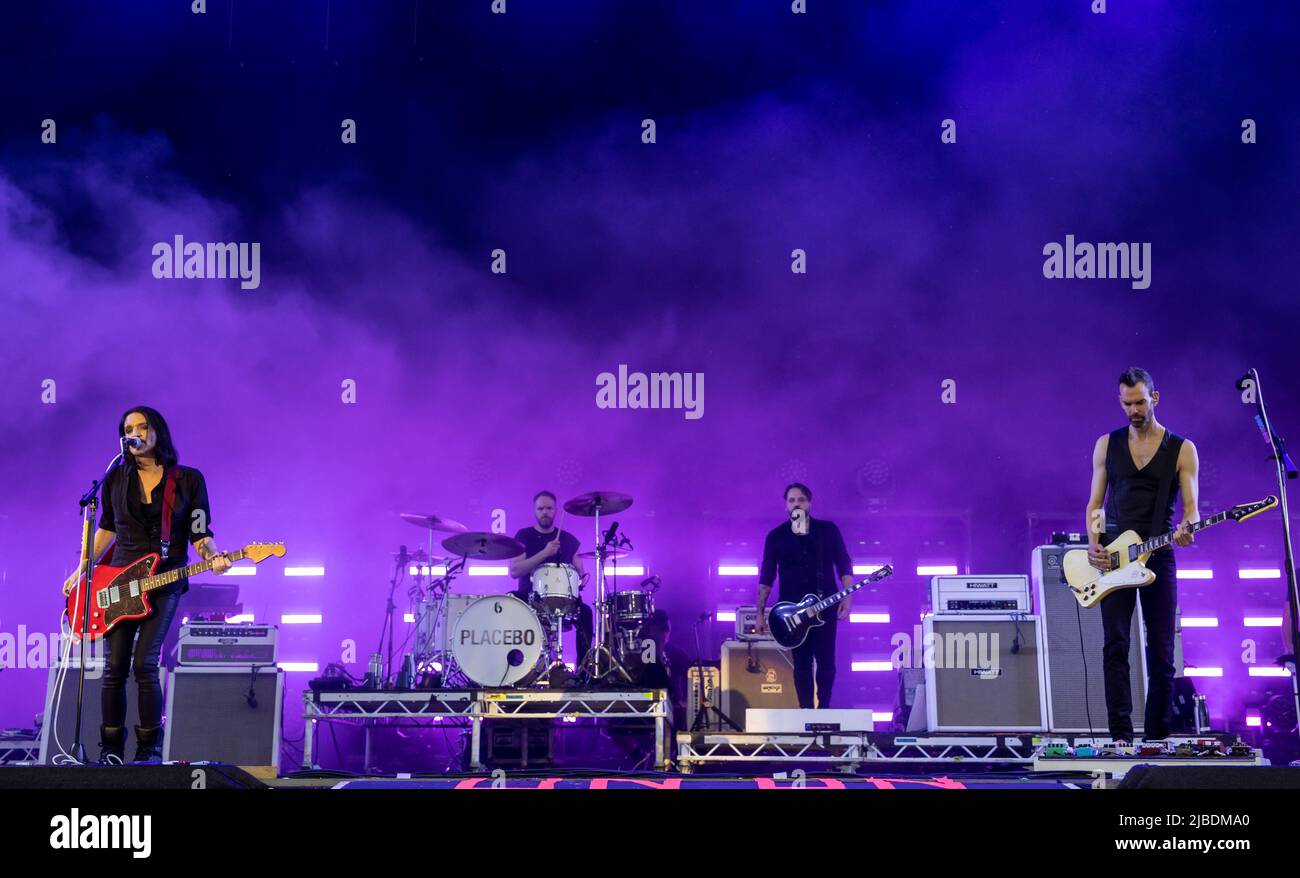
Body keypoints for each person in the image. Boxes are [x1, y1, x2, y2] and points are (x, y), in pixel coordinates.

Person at [61, 407, 231, 763]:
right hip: (117, 581)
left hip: (164, 578)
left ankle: (148, 751)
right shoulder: (114, 479)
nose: (134, 433)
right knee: (114, 667)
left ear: (158, 432)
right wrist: (81, 570)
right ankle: (109, 751)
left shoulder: (187, 480)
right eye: (127, 429)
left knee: (145, 664)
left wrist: (213, 556)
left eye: (142, 426)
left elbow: (200, 532)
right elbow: (106, 529)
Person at [1085, 368, 1199, 742]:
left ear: (1156, 398)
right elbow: (1095, 504)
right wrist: (1094, 540)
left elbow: (1192, 510)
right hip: (1115, 557)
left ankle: (1156, 738)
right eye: (1127, 403)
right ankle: (1120, 736)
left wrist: (1187, 528)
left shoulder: (1182, 448)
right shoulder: (1107, 444)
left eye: (1140, 402)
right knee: (1115, 644)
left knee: (1162, 649)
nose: (1134, 410)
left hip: (1159, 552)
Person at [756, 483, 855, 709]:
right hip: (791, 612)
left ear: (809, 503)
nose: (796, 504)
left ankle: (825, 709)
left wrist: (847, 598)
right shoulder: (776, 537)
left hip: (825, 606)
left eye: (801, 499)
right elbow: (766, 577)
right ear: (785, 506)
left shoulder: (827, 531)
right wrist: (760, 614)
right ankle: (806, 712)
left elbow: (844, 566)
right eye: (791, 500)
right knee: (801, 663)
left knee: (826, 661)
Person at [507, 491, 593, 666]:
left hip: (563, 601)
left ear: (555, 511)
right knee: (507, 602)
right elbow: (515, 570)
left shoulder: (569, 540)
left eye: (549, 508)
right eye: (540, 508)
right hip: (529, 598)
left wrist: (581, 576)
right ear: (534, 511)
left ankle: (583, 670)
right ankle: (513, 666)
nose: (544, 512)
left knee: (585, 612)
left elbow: (580, 573)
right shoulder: (523, 536)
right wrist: (545, 553)